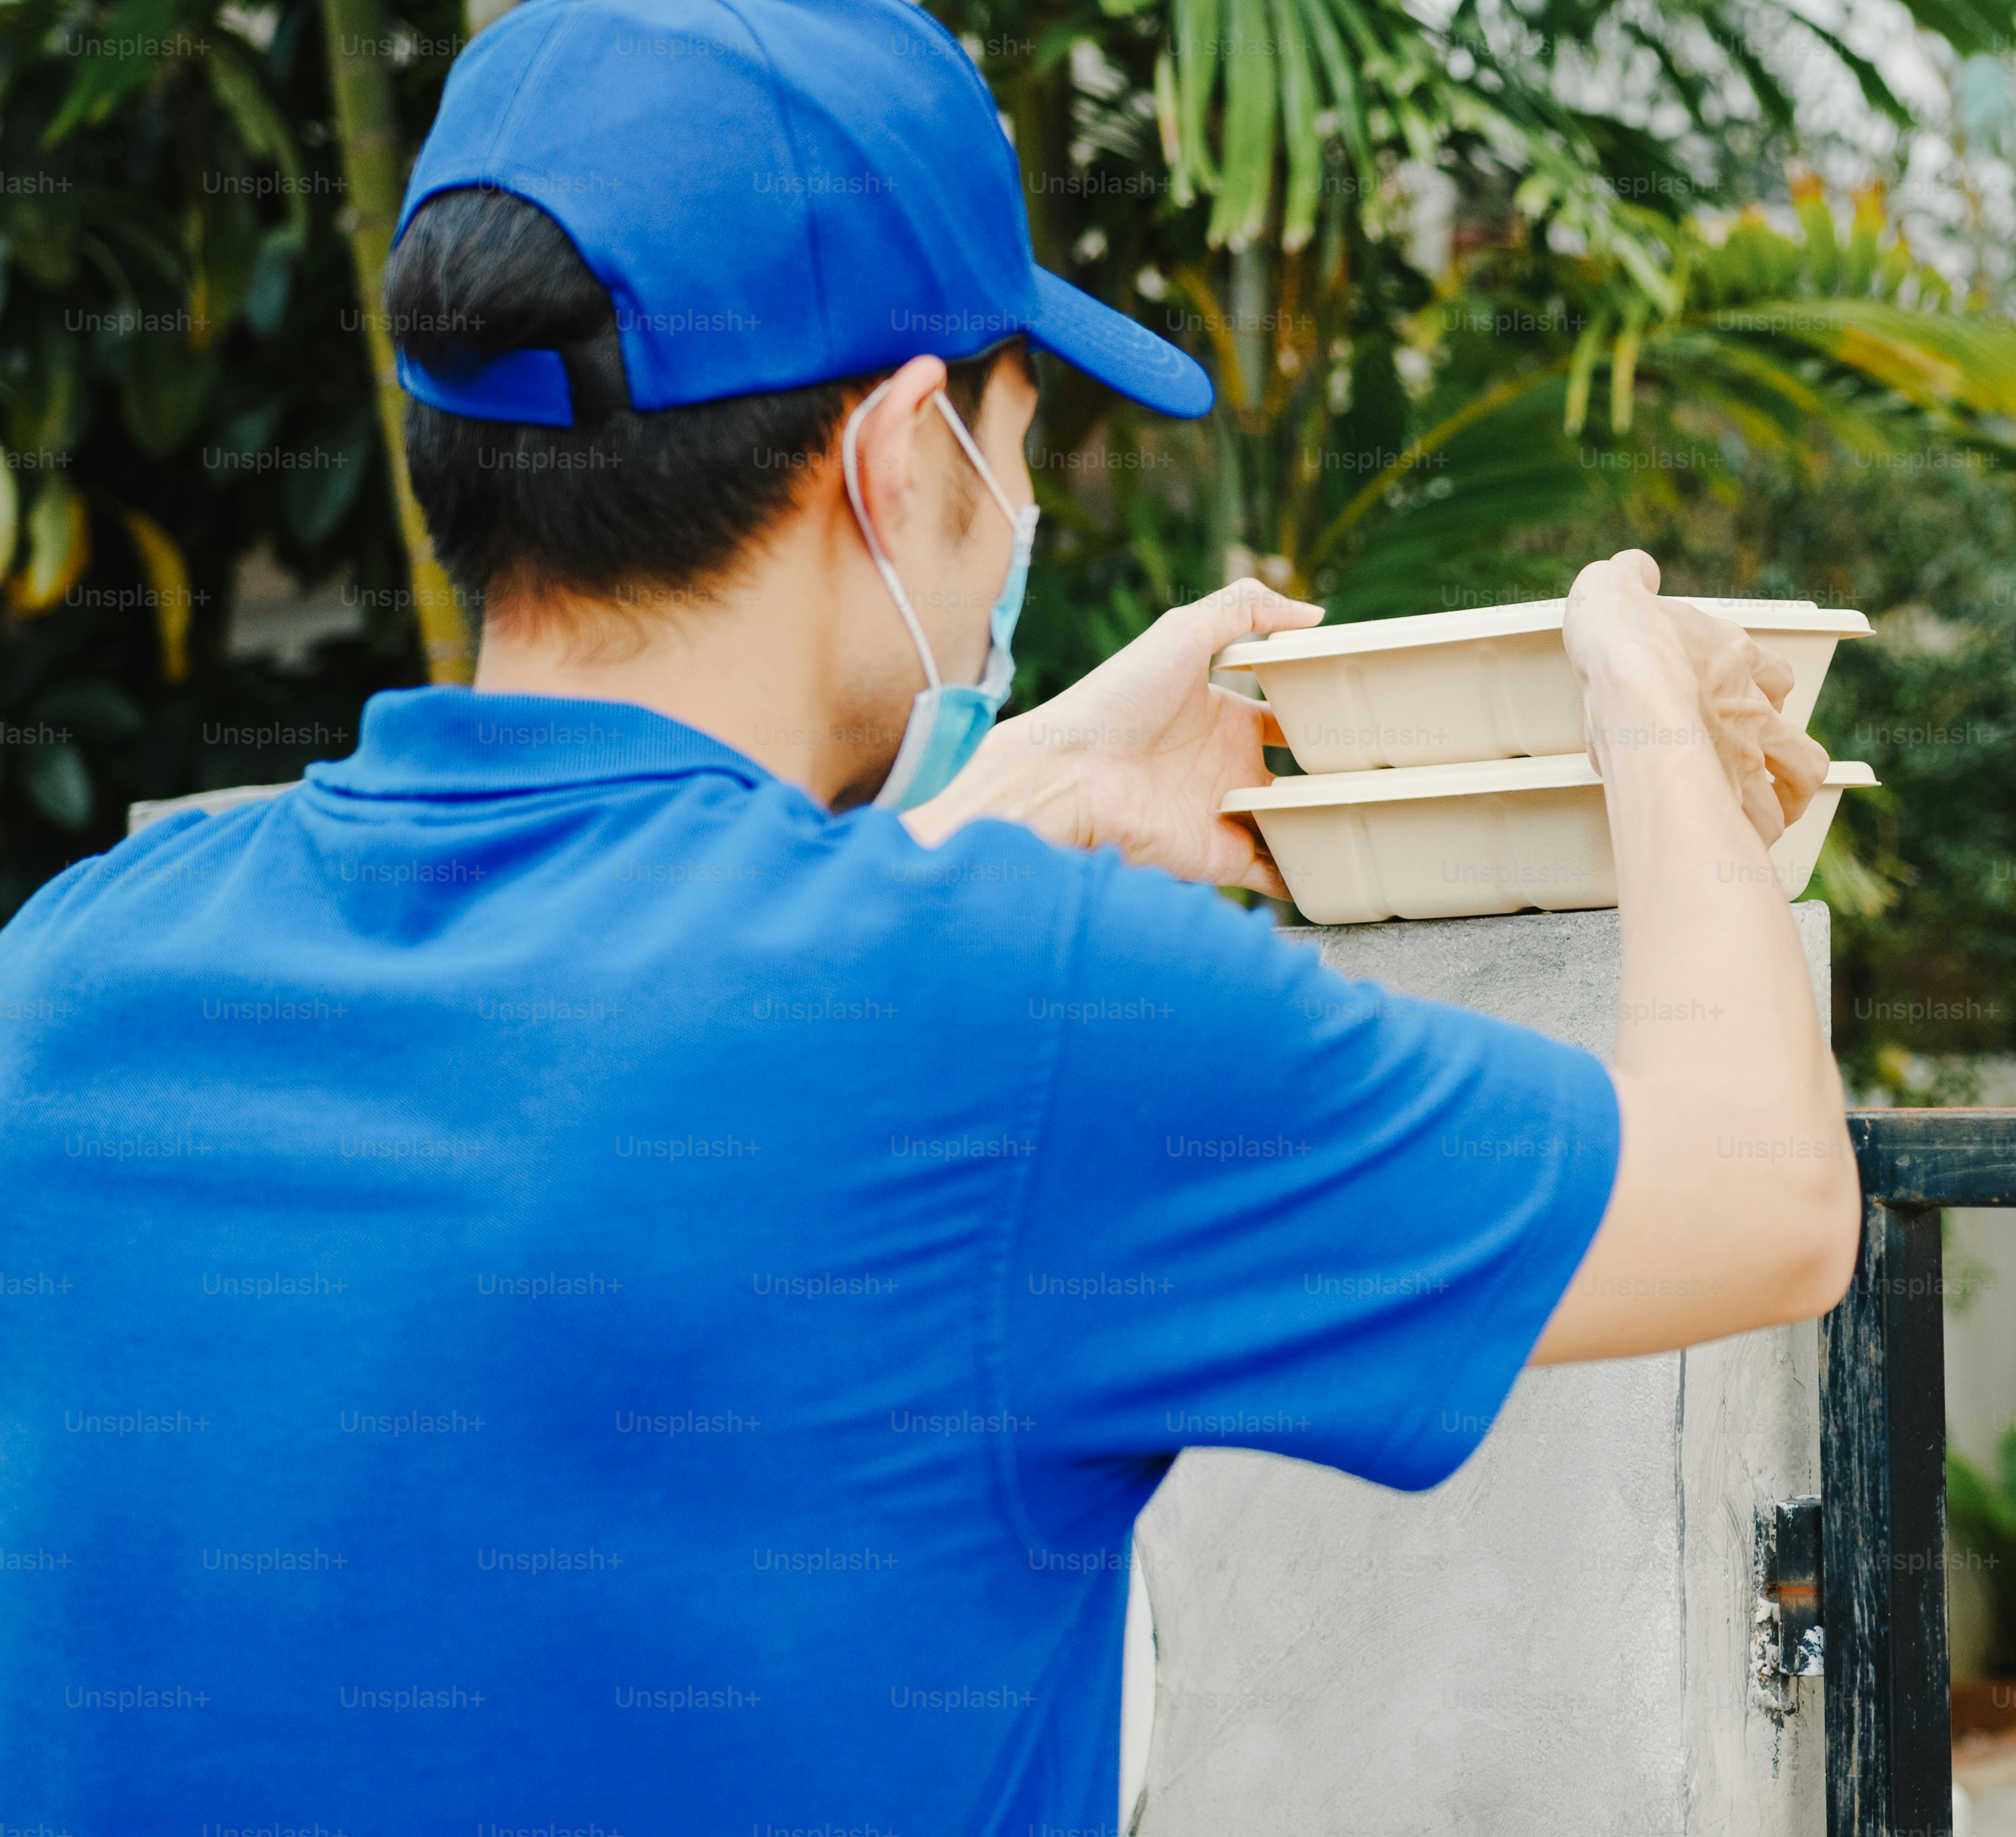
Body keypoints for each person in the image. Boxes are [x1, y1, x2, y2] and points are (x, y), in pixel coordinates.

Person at [0, 0, 1855, 1824]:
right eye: (1021, 439)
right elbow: (1760, 1202)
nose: (1022, 507)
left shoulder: (71, 982)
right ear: (901, 457)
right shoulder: (1031, 1023)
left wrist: (1013, 805)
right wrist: (1633, 689)